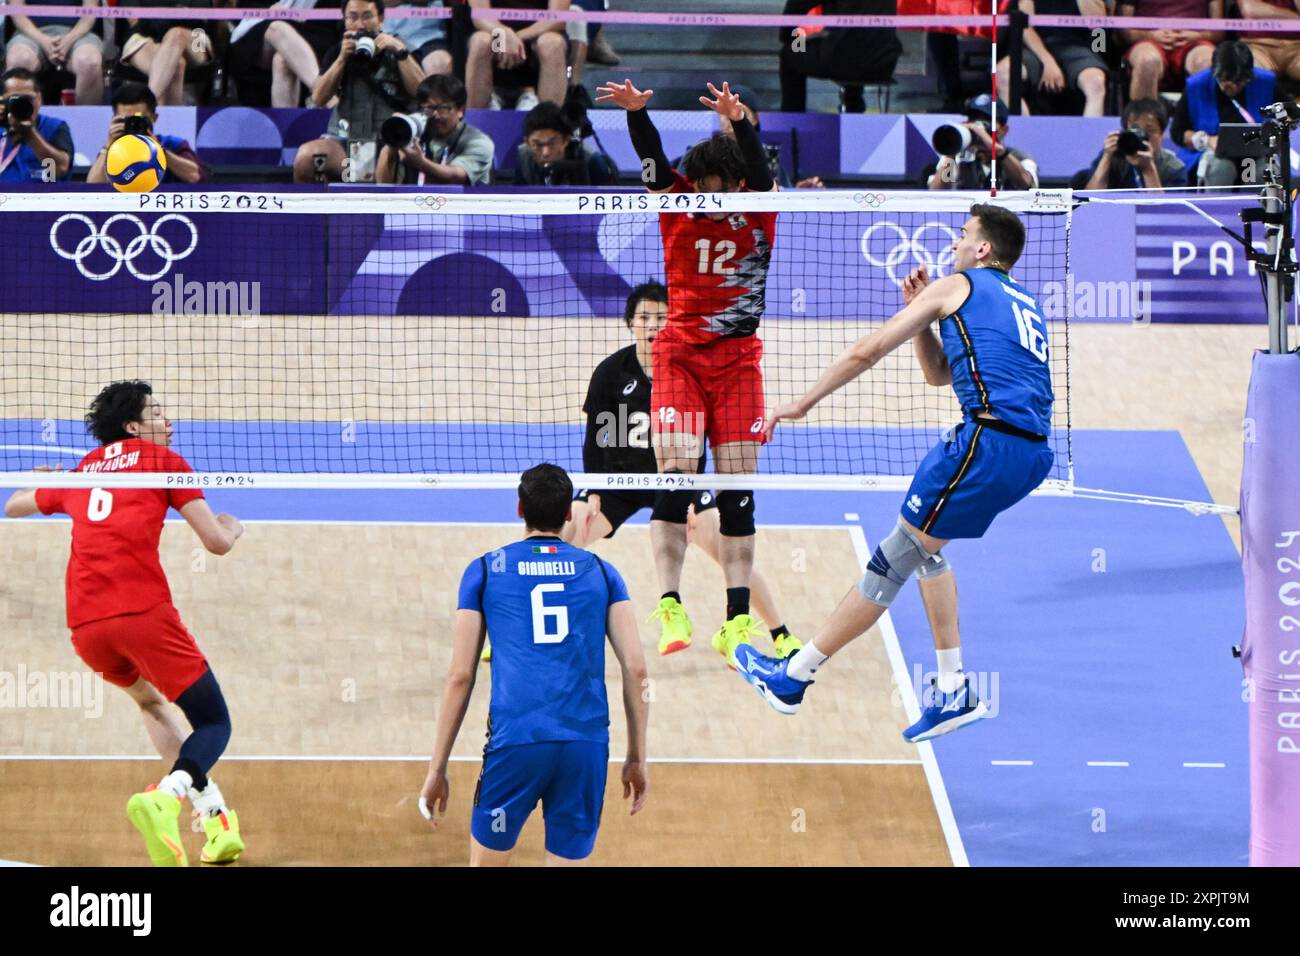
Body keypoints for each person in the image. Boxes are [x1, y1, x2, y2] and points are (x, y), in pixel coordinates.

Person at [739, 206, 1055, 745]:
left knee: (895, 558)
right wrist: (922, 316)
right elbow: (938, 375)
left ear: (983, 249)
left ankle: (794, 676)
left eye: (963, 235)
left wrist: (802, 402)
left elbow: (867, 350)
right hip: (1029, 455)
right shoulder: (1022, 301)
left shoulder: (959, 283)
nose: (955, 243)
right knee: (926, 551)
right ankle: (953, 688)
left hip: (984, 443)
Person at [3, 381, 247, 865]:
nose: (169, 422)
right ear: (133, 427)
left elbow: (12, 505)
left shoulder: (83, 471)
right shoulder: (165, 464)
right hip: (142, 614)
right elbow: (216, 543)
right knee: (215, 722)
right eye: (158, 413)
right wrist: (232, 524)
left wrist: (54, 481)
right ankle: (166, 796)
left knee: (150, 704)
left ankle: (214, 817)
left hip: (87, 628)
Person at [594, 78, 777, 670]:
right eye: (697, 190)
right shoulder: (675, 201)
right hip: (679, 357)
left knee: (737, 492)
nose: (702, 200)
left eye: (714, 192)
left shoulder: (759, 206)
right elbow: (651, 163)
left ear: (737, 187)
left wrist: (742, 120)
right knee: (675, 475)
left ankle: (736, 620)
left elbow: (757, 164)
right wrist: (638, 117)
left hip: (738, 362)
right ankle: (670, 603)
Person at [419, 463, 649, 866]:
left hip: (516, 745)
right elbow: (637, 670)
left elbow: (460, 676)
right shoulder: (602, 572)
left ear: (520, 508)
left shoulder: (486, 570)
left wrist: (437, 768)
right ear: (567, 515)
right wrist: (636, 758)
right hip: (584, 746)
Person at [565, 282, 803, 659]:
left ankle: (779, 632)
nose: (653, 324)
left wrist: (690, 494)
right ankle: (512, 627)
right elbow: (596, 438)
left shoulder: (688, 373)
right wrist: (593, 489)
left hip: (678, 483)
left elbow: (701, 442)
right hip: (620, 483)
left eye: (661, 317)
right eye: (644, 317)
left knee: (729, 546)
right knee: (565, 533)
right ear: (630, 323)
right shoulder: (611, 373)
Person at [293, 0, 425, 183]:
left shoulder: (402, 49)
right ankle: (316, 211)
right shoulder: (338, 52)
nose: (360, 25)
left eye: (367, 16)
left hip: (388, 146)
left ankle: (377, 205)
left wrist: (399, 52)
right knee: (307, 158)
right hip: (346, 145)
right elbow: (318, 98)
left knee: (384, 167)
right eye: (353, 17)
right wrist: (341, 60)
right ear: (345, 21)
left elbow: (422, 93)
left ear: (381, 19)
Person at [1171, 40, 1275, 187]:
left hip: (1255, 156)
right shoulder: (1196, 86)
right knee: (1221, 168)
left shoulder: (1265, 82)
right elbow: (1177, 132)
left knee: (1264, 170)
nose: (1234, 88)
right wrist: (1206, 140)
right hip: (1213, 154)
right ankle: (1215, 210)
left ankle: (1258, 209)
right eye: (1226, 82)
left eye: (1240, 82)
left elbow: (1289, 115)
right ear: (1215, 74)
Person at [376, 73, 494, 184]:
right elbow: (383, 184)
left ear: (460, 110)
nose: (435, 115)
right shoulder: (415, 134)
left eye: (443, 108)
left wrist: (421, 163)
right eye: (430, 108)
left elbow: (456, 177)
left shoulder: (479, 142)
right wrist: (393, 142)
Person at [996, 0, 1109, 117]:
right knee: (1003, 74)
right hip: (1037, 47)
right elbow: (1025, 27)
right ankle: (1024, 133)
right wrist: (1048, 61)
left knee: (1096, 83)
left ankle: (1090, 135)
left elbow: (1098, 27)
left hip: (1076, 47)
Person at [86, 82, 207, 185]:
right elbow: (92, 187)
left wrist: (159, 150)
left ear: (154, 118)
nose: (133, 124)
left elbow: (196, 176)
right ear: (115, 119)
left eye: (139, 119)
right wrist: (107, 146)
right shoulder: (113, 150)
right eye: (126, 120)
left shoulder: (172, 144)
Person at [465, 0, 569, 109]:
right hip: (498, 35)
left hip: (537, 35)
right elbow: (481, 16)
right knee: (481, 41)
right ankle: (474, 120)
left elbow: (557, 17)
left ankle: (550, 121)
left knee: (551, 43)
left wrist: (516, 38)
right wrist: (504, 33)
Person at [927, 94, 1037, 191]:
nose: (978, 128)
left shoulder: (1020, 157)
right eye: (974, 120)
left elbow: (1026, 184)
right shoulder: (958, 158)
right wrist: (952, 151)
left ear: (1004, 130)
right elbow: (938, 191)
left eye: (986, 122)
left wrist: (999, 152)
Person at [3, 0, 104, 106]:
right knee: (19, 59)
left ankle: (86, 120)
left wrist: (68, 41)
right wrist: (43, 40)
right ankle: (20, 117)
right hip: (30, 33)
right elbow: (18, 16)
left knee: (89, 62)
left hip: (78, 33)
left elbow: (89, 16)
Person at [1119, 0, 1222, 102]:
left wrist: (1198, 36)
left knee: (1205, 62)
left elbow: (1219, 32)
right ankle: (1143, 116)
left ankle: (1205, 117)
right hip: (1148, 40)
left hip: (1196, 41)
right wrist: (1150, 35)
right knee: (1147, 61)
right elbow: (1124, 32)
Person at [227, 0, 324, 108]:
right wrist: (271, 12)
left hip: (312, 32)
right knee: (277, 28)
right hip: (256, 31)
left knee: (282, 60)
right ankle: (329, 97)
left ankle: (285, 124)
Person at [117, 0, 216, 106]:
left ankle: (146, 107)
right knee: (176, 64)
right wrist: (171, 16)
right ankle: (168, 120)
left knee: (176, 35)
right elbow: (134, 20)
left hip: (195, 36)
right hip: (142, 36)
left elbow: (201, 17)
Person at [1082, 97, 1186, 190]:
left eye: (1149, 131)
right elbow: (1090, 201)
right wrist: (1106, 157)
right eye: (1135, 129)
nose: (1141, 136)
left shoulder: (1173, 168)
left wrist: (1148, 169)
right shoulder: (1113, 156)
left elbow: (1165, 210)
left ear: (1161, 135)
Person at [513, 100, 616, 186]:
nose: (545, 152)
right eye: (537, 145)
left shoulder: (592, 161)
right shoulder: (524, 157)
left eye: (552, 143)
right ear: (527, 142)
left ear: (566, 140)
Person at [0, 67, 73, 183]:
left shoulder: (55, 127)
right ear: (2, 101)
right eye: (14, 99)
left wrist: (30, 134)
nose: (22, 104)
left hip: (43, 199)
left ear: (39, 98)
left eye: (27, 99)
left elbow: (60, 169)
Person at [386, 0, 453, 76]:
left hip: (432, 43)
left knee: (437, 63)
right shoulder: (393, 13)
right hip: (402, 49)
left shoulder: (441, 6)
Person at [1241, 0, 1300, 83]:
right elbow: (1251, 10)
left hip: (1296, 47)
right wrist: (1296, 18)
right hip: (1258, 46)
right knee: (1256, 75)